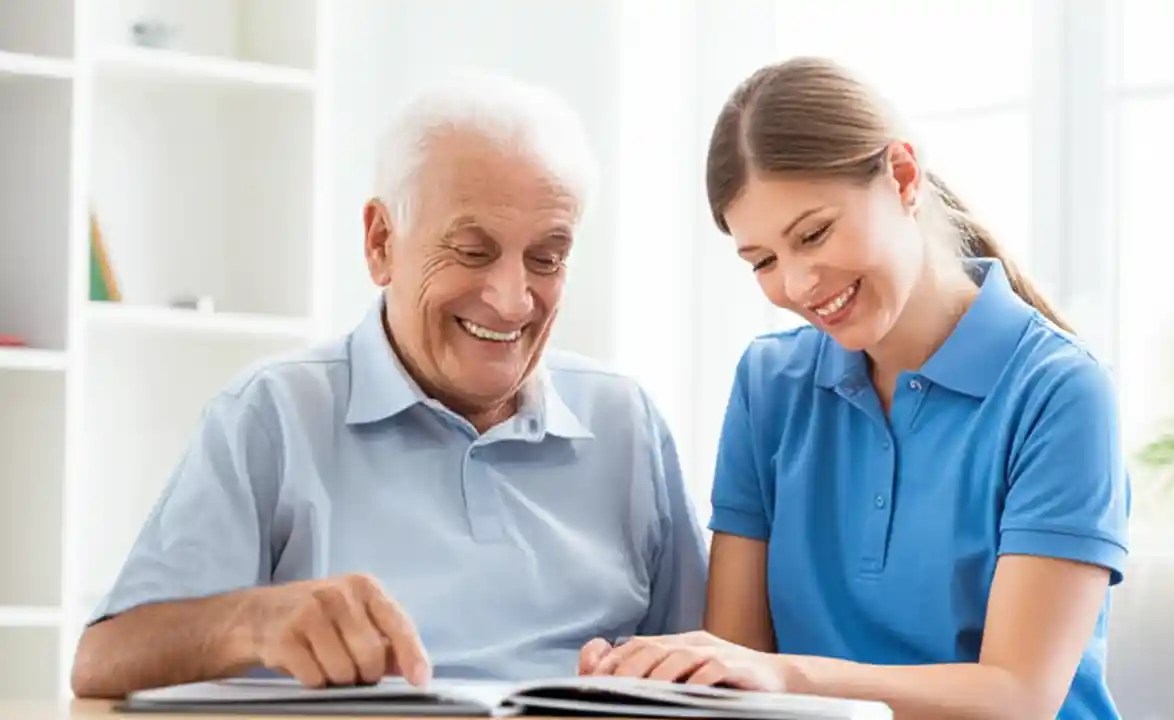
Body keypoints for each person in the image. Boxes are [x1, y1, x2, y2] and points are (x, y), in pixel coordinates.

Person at [71, 72, 707, 698]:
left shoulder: (627, 423)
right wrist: (253, 621)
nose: (514, 302)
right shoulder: (273, 415)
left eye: (547, 258)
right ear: (381, 243)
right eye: (472, 251)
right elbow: (103, 660)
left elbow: (712, 662)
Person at [579, 57, 1130, 720]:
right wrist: (655, 679)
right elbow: (736, 666)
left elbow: (1015, 698)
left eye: (814, 234)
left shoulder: (1060, 392)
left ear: (902, 177)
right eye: (763, 261)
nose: (799, 284)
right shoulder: (769, 385)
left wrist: (781, 677)